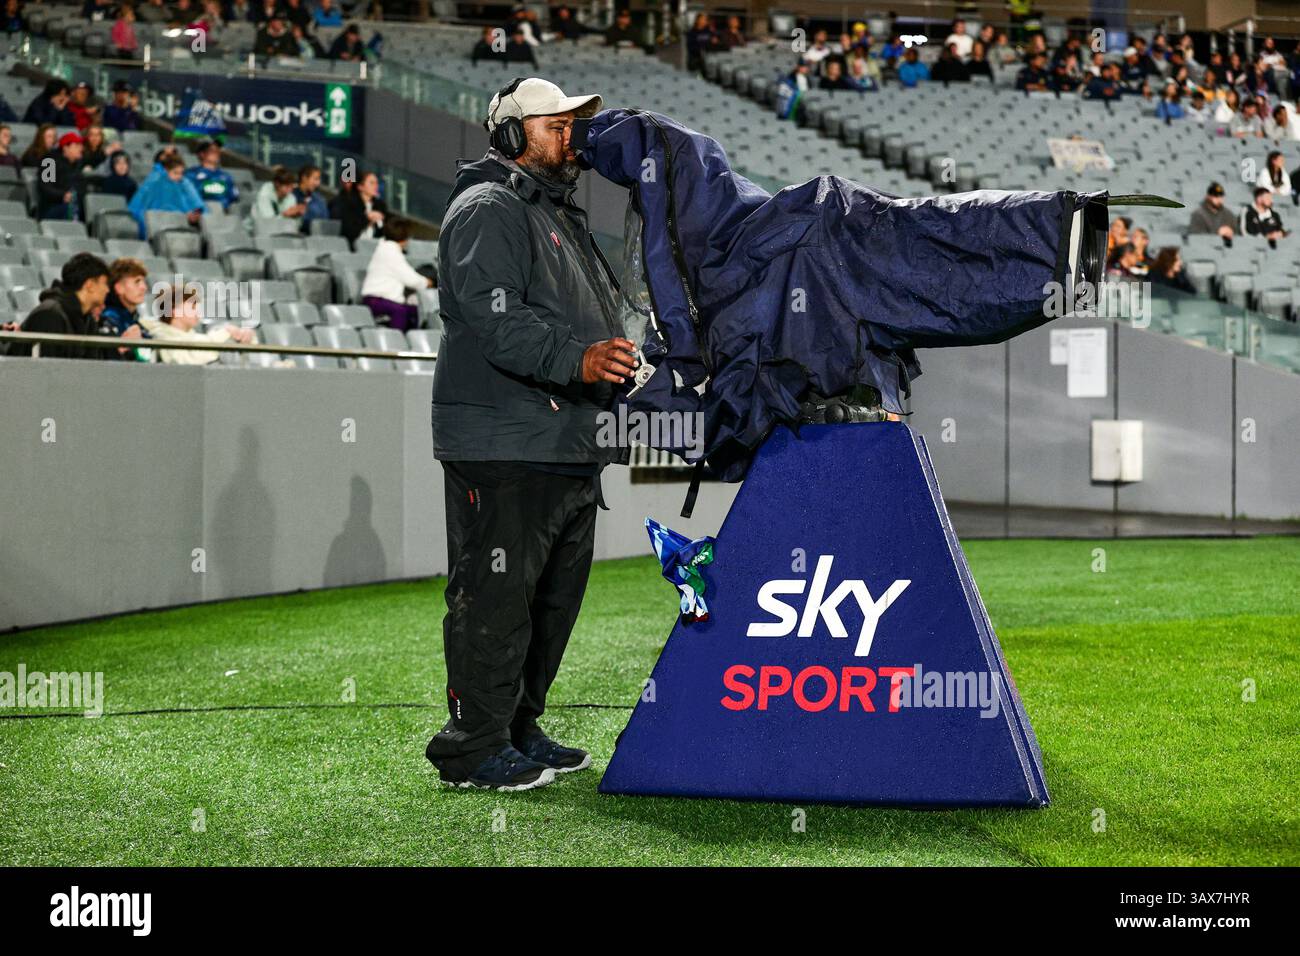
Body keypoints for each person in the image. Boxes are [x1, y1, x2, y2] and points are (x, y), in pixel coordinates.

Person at [428, 77, 634, 791]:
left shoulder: (553, 213)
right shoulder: (489, 207)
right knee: (496, 601)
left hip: (562, 443)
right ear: (513, 132)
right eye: (557, 126)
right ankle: (470, 748)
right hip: (504, 443)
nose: (572, 138)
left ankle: (516, 726)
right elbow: (496, 319)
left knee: (549, 603)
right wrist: (576, 358)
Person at [14, 254, 136, 360]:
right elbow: (44, 372)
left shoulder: (87, 320)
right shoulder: (50, 314)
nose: (107, 290)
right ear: (90, 286)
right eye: (104, 284)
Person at [141, 282, 256, 364]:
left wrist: (245, 335)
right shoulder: (161, 339)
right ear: (174, 311)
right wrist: (224, 334)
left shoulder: (196, 337)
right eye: (192, 306)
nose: (198, 311)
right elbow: (185, 361)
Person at [358, 216, 429, 331]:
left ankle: (412, 340)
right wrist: (428, 282)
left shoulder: (386, 249)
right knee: (400, 311)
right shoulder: (390, 253)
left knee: (415, 310)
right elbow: (411, 279)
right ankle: (397, 342)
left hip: (384, 300)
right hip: (376, 300)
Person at [128, 152, 205, 237]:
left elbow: (194, 205)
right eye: (175, 173)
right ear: (166, 170)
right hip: (158, 229)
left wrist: (192, 215)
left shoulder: (184, 184)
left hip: (181, 228)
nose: (179, 176)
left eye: (181, 173)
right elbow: (142, 204)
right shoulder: (155, 182)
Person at [99, 257, 152, 361]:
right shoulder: (107, 319)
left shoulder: (135, 322)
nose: (144, 287)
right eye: (137, 282)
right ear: (119, 288)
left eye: (143, 282)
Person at [37, 132, 86, 221]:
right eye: (77, 145)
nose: (81, 148)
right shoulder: (50, 161)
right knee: (70, 209)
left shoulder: (77, 165)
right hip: (52, 207)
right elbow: (45, 187)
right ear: (65, 148)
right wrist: (63, 195)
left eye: (80, 145)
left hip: (73, 205)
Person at [185, 139, 239, 211]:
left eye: (218, 151)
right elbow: (190, 196)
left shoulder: (226, 176)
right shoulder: (192, 174)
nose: (217, 153)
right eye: (213, 151)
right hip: (201, 213)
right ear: (202, 154)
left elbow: (234, 197)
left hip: (224, 213)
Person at [338, 169, 387, 245]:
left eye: (377, 183)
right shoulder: (348, 204)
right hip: (354, 247)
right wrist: (367, 219)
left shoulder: (380, 205)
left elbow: (384, 232)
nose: (376, 186)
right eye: (372, 183)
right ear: (360, 186)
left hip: (376, 246)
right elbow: (348, 231)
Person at [287, 163, 328, 232]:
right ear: (304, 178)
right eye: (315, 179)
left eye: (318, 180)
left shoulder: (319, 200)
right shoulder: (290, 196)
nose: (317, 183)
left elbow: (325, 223)